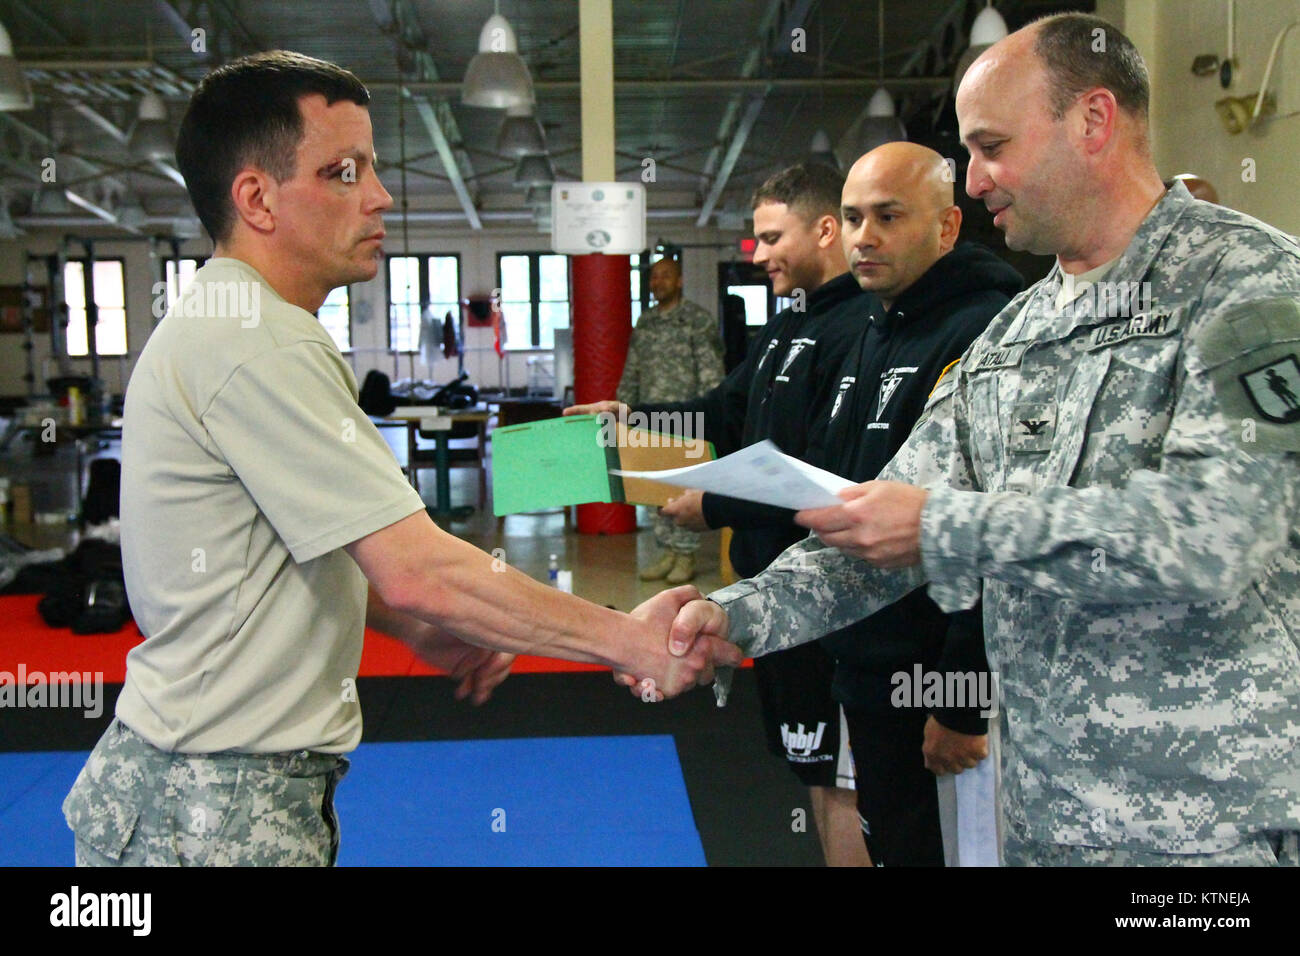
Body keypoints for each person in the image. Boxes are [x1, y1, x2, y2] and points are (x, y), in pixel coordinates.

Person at [61, 51, 741, 868]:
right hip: (209, 806)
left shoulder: (239, 320)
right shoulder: (257, 340)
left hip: (211, 791)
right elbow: (422, 567)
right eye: (343, 172)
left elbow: (298, 550)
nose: (379, 195)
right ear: (256, 199)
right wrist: (629, 642)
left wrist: (409, 626)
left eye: (373, 169)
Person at [661, 12, 1300, 865]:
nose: (975, 180)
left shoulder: (1252, 284)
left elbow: (1215, 533)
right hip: (1046, 824)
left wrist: (939, 526)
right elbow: (871, 525)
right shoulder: (1016, 332)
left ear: (1093, 122)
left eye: (993, 147)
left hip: (1213, 837)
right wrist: (730, 617)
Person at [571, 163, 871, 866]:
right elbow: (722, 410)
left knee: (845, 784)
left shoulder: (863, 325)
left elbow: (824, 471)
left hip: (835, 601)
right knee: (814, 772)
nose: (758, 255)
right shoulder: (787, 324)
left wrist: (715, 503)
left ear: (825, 229)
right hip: (778, 597)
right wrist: (632, 418)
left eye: (772, 238)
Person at [812, 141, 1023, 865]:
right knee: (894, 846)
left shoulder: (986, 330)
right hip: (867, 654)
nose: (864, 236)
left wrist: (963, 698)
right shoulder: (872, 329)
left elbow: (990, 527)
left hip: (934, 676)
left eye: (888, 216)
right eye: (852, 217)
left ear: (947, 228)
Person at [617, 257, 725, 584]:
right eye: (654, 277)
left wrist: (713, 417)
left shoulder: (697, 321)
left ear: (679, 281)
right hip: (648, 416)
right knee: (653, 487)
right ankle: (667, 551)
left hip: (685, 418)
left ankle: (686, 554)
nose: (658, 282)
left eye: (665, 276)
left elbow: (712, 375)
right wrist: (622, 405)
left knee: (683, 487)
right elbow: (632, 368)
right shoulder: (645, 323)